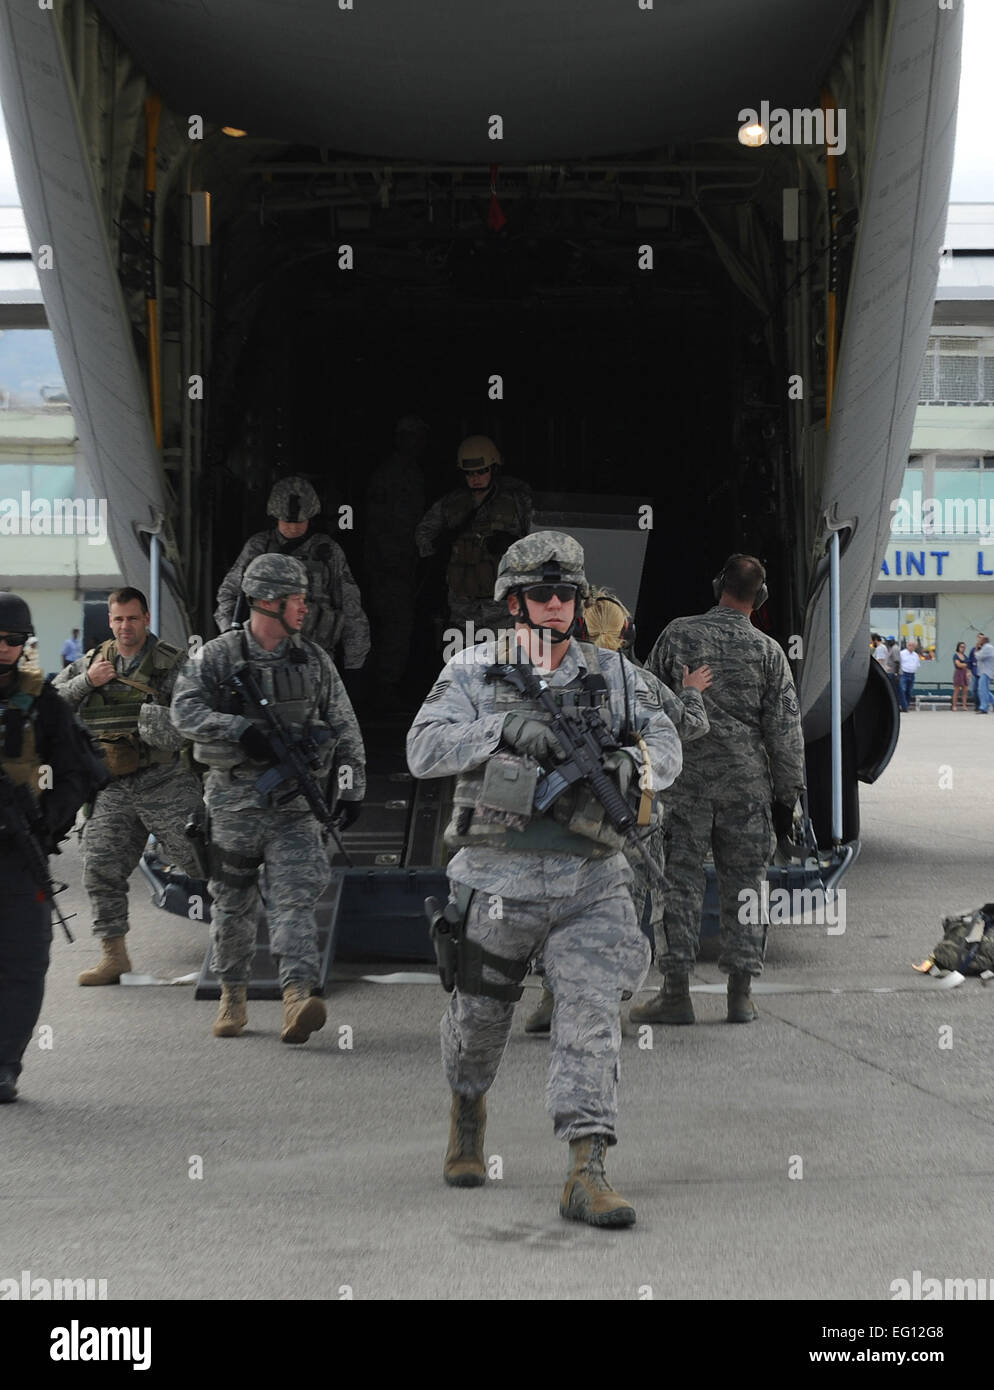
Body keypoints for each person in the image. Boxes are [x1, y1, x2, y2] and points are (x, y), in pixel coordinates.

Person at [407, 532, 682, 1228]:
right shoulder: (473, 668)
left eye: (566, 595)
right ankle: (468, 1109)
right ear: (513, 601)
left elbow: (667, 737)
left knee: (591, 1019)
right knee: (478, 1023)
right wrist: (500, 728)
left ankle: (586, 1169)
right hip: (496, 881)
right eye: (542, 594)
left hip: (590, 881)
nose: (556, 606)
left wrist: (635, 765)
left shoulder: (615, 674)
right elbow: (422, 748)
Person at [172, 554, 366, 1042]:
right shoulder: (215, 656)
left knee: (295, 900)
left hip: (295, 808)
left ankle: (297, 997)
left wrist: (351, 785)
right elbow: (182, 709)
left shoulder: (314, 659)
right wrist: (237, 728)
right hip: (234, 803)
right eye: (297, 600)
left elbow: (345, 728)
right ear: (268, 602)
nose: (305, 609)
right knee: (232, 903)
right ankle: (232, 995)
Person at [524, 585, 713, 1034]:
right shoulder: (636, 679)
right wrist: (690, 691)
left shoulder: (549, 677)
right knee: (619, 909)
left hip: (563, 817)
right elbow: (692, 726)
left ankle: (552, 997)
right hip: (631, 817)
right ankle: (601, 1001)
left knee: (557, 905)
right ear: (627, 632)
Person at [632, 554, 806, 1026]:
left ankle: (676, 995)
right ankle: (740, 996)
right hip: (746, 791)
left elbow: (645, 701)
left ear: (717, 586)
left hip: (683, 787)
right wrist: (788, 798)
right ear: (761, 597)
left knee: (677, 887)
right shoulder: (770, 652)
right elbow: (786, 732)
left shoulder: (678, 634)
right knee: (747, 889)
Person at [53, 588, 204, 986]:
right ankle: (114, 957)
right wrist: (86, 681)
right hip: (113, 786)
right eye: (118, 619)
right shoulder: (93, 661)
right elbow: (51, 704)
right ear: (109, 620)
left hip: (164, 780)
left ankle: (238, 947)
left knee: (205, 861)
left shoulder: (172, 662)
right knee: (100, 866)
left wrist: (167, 724)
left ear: (146, 619)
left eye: (132, 618)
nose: (125, 627)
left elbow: (197, 712)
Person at [0, 595, 92, 1101]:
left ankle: (5, 1063)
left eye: (12, 641)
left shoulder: (44, 701)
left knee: (25, 960)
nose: (2, 650)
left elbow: (77, 771)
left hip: (19, 854)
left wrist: (47, 826)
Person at [214, 476, 370, 704]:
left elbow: (351, 608)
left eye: (300, 521)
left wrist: (355, 665)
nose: (293, 526)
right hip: (262, 658)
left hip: (316, 657)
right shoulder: (258, 547)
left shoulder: (327, 551)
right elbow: (228, 596)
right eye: (286, 521)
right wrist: (232, 640)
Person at [415, 436, 532, 636]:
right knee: (464, 663)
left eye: (482, 471)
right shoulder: (451, 504)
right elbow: (423, 536)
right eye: (469, 473)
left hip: (502, 606)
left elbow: (538, 544)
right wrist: (444, 546)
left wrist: (512, 545)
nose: (475, 478)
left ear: (494, 469)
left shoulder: (516, 501)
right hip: (462, 606)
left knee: (503, 662)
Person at [363, 416, 429, 706]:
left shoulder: (408, 472)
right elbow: (377, 524)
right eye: (414, 437)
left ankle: (381, 687)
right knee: (394, 625)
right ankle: (383, 689)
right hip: (390, 564)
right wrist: (390, 562)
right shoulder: (393, 474)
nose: (418, 443)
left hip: (398, 562)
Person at [898, 639, 921, 712]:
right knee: (903, 690)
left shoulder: (916, 655)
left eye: (913, 646)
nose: (911, 647)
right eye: (910, 645)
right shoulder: (902, 653)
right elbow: (899, 663)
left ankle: (906, 706)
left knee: (909, 691)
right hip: (904, 674)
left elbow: (917, 665)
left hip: (912, 674)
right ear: (907, 645)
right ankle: (902, 706)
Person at [975, 633, 994, 714]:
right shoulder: (987, 647)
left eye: (980, 639)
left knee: (982, 690)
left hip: (986, 672)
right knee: (985, 690)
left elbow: (978, 657)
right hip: (985, 671)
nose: (979, 641)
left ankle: (984, 708)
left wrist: (976, 649)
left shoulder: (987, 647)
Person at [952, 641, 970, 711]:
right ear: (958, 647)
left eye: (964, 647)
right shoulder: (955, 655)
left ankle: (964, 706)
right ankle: (954, 706)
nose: (963, 648)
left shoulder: (965, 656)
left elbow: (968, 666)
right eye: (961, 647)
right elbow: (958, 664)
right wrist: (965, 664)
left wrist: (968, 671)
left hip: (965, 673)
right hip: (958, 673)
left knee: (965, 691)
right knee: (957, 690)